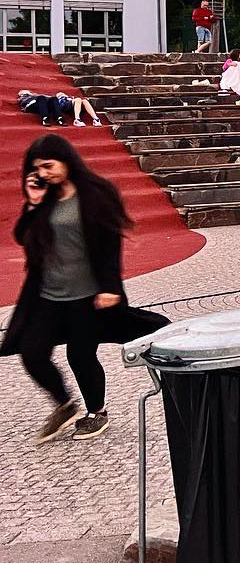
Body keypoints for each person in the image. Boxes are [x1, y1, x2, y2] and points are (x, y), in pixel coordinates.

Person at [3, 136, 168, 442]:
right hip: (47, 295)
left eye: (49, 165)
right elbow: (23, 238)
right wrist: (33, 204)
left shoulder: (95, 194)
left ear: (66, 161)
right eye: (38, 168)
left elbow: (109, 244)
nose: (44, 173)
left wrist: (109, 288)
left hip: (88, 296)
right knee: (32, 352)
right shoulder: (45, 198)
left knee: (80, 355)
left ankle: (97, 412)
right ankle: (64, 405)